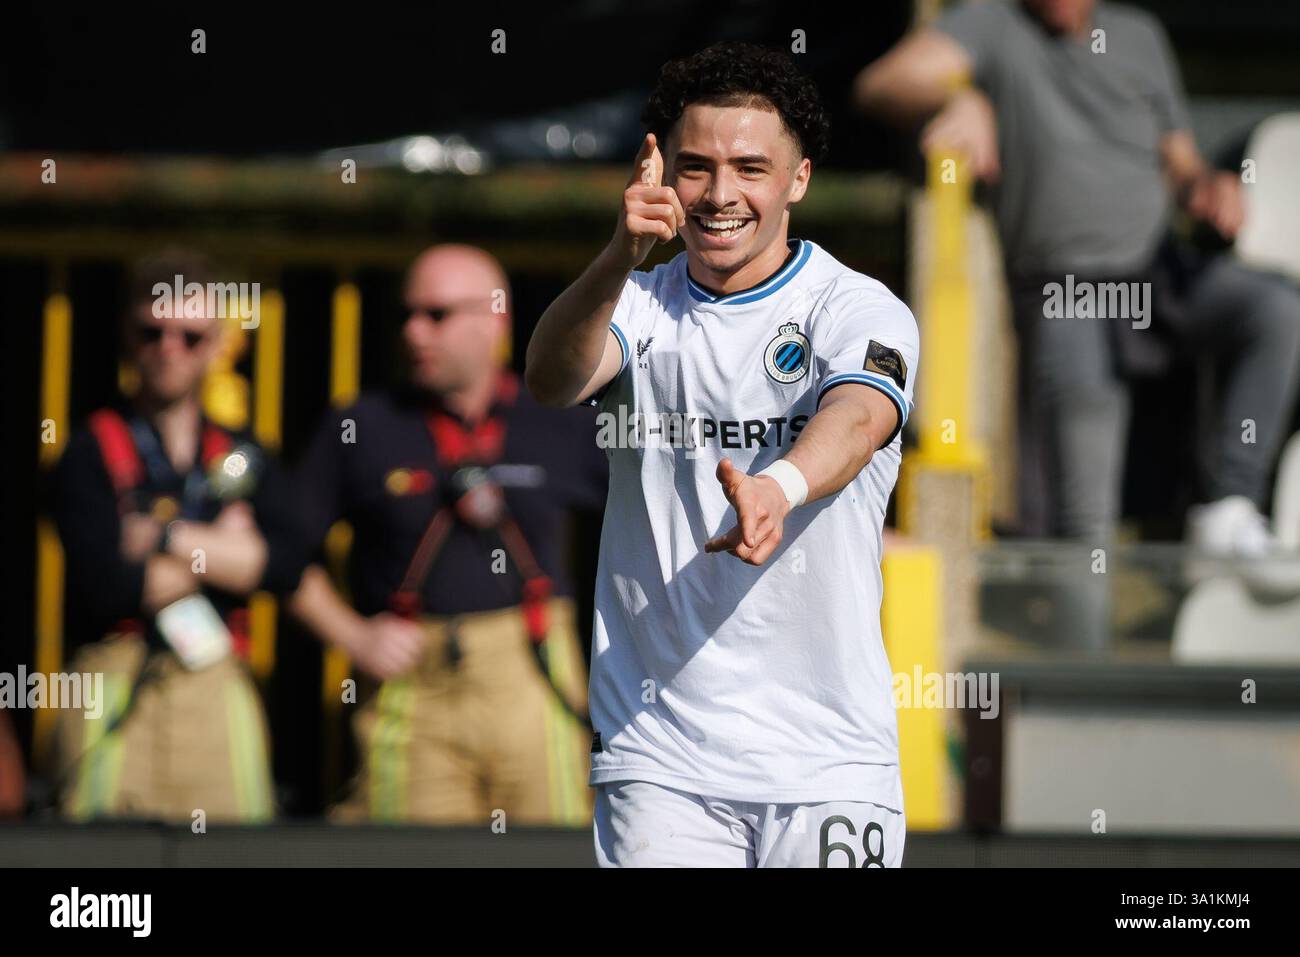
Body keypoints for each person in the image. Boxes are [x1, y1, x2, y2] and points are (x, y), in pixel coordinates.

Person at [527, 41, 918, 867]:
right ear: (661, 173)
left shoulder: (855, 306)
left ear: (799, 179)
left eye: (750, 166)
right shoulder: (637, 301)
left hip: (828, 760)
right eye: (695, 167)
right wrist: (615, 258)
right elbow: (551, 380)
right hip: (660, 753)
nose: (720, 194)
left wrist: (777, 486)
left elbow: (861, 413)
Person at [855, 0, 1300, 553]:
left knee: (1276, 307)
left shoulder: (1139, 33)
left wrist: (1206, 186)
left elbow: (1180, 161)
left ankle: (1228, 507)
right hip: (1065, 287)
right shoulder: (993, 24)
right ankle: (1082, 630)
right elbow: (881, 83)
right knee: (1086, 509)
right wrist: (962, 95)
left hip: (1157, 268)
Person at [290, 244, 606, 826]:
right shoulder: (363, 424)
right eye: (407, 314)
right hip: (414, 696)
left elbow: (649, 524)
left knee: (555, 854)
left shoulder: (560, 418)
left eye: (436, 315)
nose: (414, 332)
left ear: (494, 318)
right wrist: (355, 636)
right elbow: (283, 553)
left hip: (535, 684)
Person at [48, 249, 307, 822]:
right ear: (127, 336)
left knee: (236, 851)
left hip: (215, 683)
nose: (169, 350)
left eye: (190, 336)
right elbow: (104, 586)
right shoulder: (89, 449)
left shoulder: (243, 453)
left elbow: (286, 565)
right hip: (113, 681)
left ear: (216, 344)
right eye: (153, 332)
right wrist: (224, 551)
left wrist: (163, 537)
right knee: (99, 885)